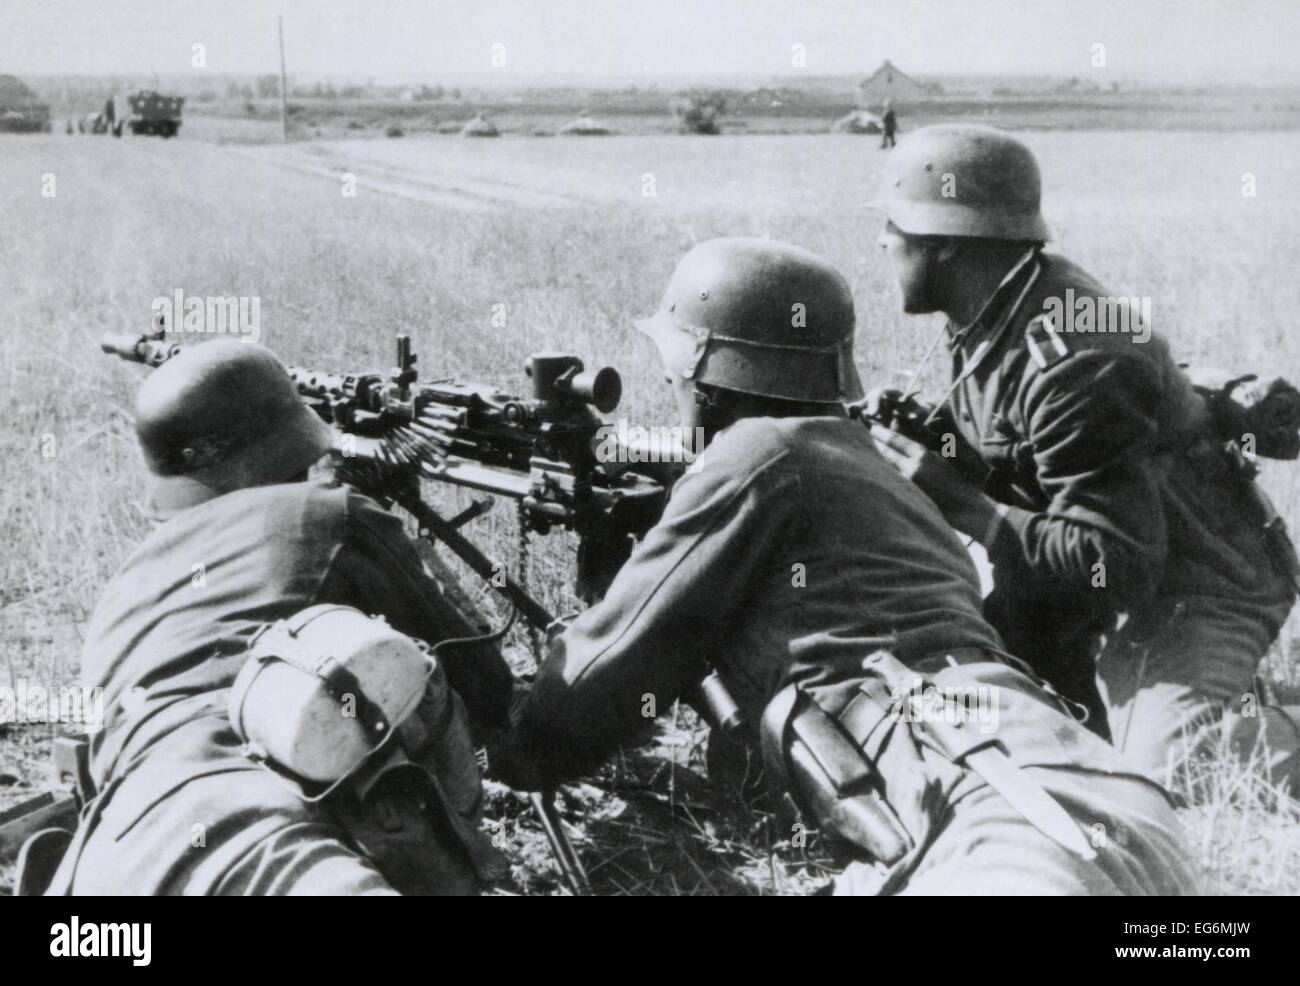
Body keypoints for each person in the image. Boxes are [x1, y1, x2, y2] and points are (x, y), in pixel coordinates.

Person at [488, 236, 1199, 895]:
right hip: (1102, 793)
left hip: (988, 808)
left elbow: (604, 675)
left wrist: (503, 750)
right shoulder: (876, 470)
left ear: (702, 374)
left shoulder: (759, 454)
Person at [868, 123, 1297, 785]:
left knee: (1163, 777)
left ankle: (1252, 723)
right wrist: (936, 441)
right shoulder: (991, 307)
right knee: (953, 708)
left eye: (894, 228)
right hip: (1077, 581)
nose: (883, 241)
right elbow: (1027, 459)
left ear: (947, 243)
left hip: (1197, 585)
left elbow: (1115, 563)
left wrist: (959, 500)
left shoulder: (1075, 352)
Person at [42, 339, 513, 895]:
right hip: (266, 842)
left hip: (106, 861)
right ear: (291, 440)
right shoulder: (331, 513)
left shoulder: (128, 582)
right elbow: (486, 690)